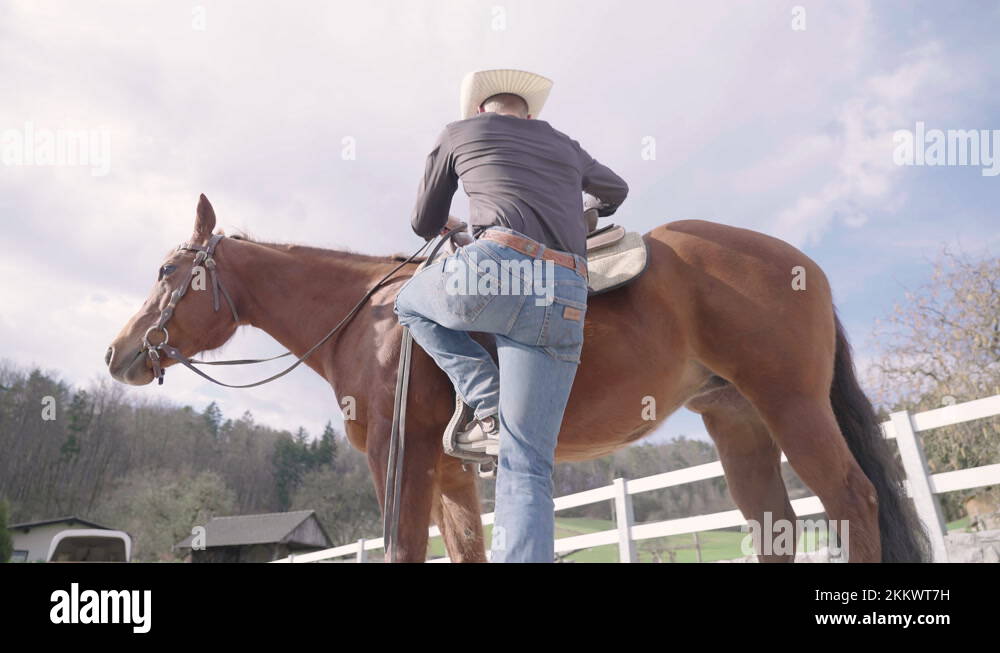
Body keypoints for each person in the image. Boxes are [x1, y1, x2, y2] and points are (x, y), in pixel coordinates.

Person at [393, 69, 628, 562]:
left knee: (409, 303)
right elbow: (616, 190)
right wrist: (578, 204)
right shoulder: (566, 145)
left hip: (492, 268)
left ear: (481, 108)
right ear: (528, 111)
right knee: (528, 466)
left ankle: (485, 402)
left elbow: (422, 222)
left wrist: (454, 223)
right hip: (565, 289)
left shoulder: (459, 133)